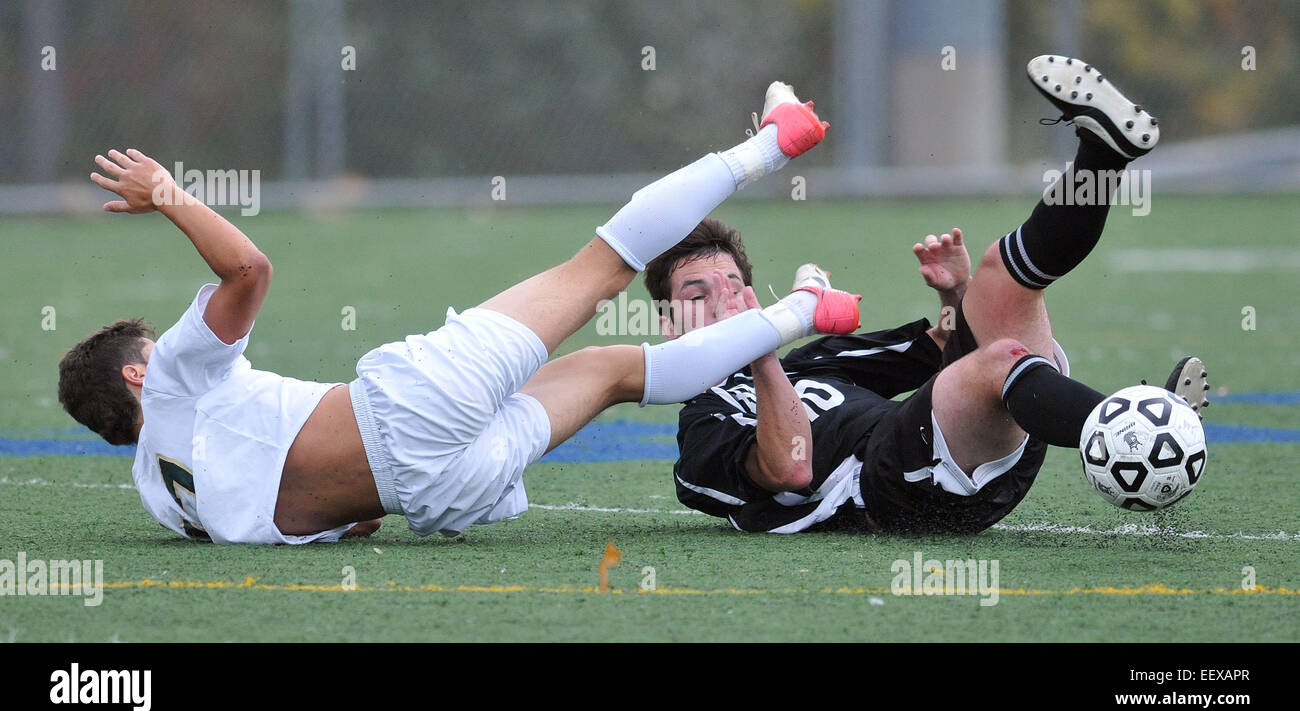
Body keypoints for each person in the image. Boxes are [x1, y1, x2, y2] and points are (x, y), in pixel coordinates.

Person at [57, 82, 861, 544]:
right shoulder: (168, 381)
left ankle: (801, 309)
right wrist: (167, 191)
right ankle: (771, 145)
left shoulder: (166, 501)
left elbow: (343, 523)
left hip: (435, 493)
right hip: (407, 411)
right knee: (603, 266)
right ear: (138, 369)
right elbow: (248, 270)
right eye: (156, 347)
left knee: (614, 370)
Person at [647, 55, 1210, 534]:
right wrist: (760, 352)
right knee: (1000, 361)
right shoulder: (701, 431)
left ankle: (1102, 154)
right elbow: (790, 471)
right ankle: (1134, 430)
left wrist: (956, 297)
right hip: (893, 487)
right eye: (698, 292)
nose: (724, 299)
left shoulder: (813, 360)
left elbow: (942, 349)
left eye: (732, 284)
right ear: (670, 325)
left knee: (1001, 277)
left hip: (955, 446)